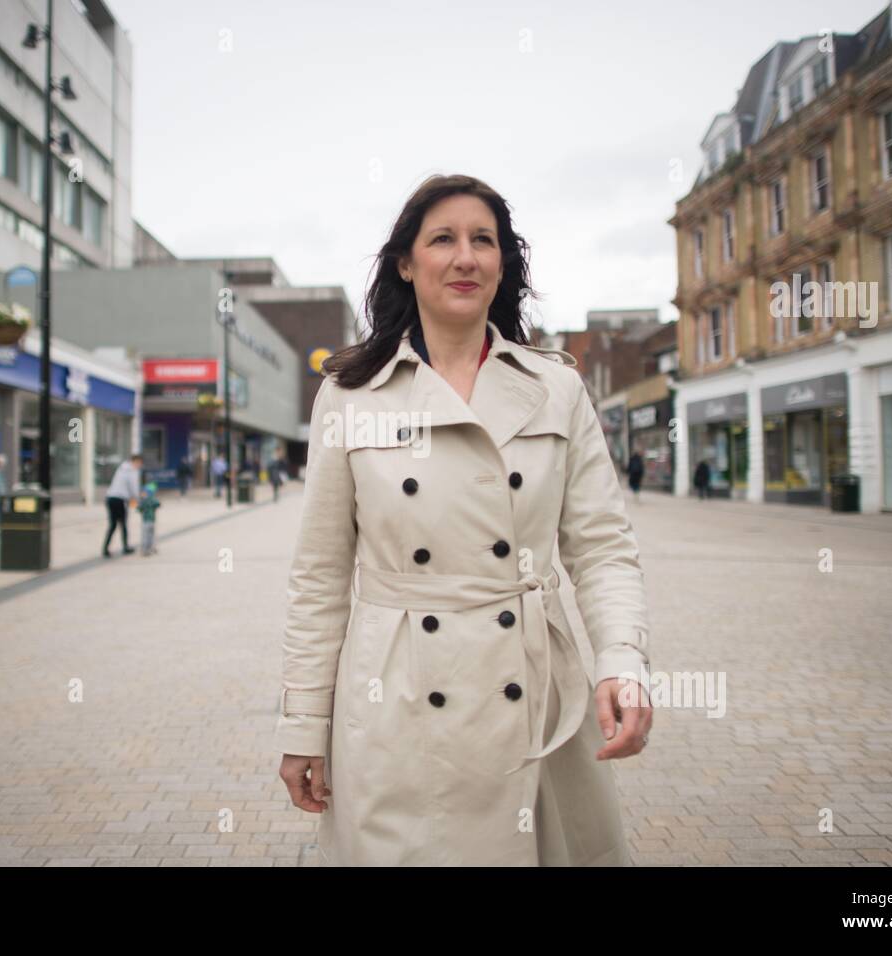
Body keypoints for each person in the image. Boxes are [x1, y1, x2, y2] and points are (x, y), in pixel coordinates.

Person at [273, 174, 652, 867]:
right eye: (442, 239)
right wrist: (305, 725)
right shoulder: (351, 395)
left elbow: (602, 550)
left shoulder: (555, 387)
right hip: (398, 702)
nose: (466, 257)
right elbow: (320, 576)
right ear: (406, 264)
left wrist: (623, 663)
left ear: (503, 264)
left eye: (485, 240)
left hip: (531, 691)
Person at [103, 453, 142, 557]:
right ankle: (125, 547)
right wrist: (138, 500)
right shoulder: (133, 471)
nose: (139, 465)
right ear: (136, 461)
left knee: (113, 525)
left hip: (110, 498)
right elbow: (134, 489)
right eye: (139, 463)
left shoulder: (121, 468)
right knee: (123, 524)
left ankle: (105, 549)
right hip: (120, 500)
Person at [137, 482, 161, 555]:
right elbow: (158, 504)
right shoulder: (153, 499)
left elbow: (139, 508)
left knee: (145, 535)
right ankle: (151, 547)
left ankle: (145, 549)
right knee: (151, 535)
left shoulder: (143, 500)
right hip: (152, 520)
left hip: (145, 521)